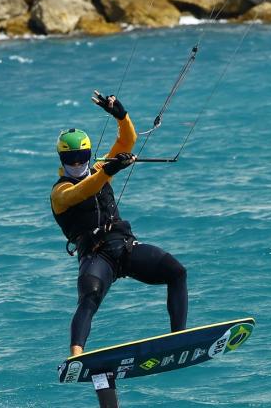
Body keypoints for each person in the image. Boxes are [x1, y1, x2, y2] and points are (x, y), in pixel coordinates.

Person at [51, 91, 188, 357]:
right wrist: (108, 171)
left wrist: (121, 116)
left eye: (82, 156)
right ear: (61, 159)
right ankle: (77, 354)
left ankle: (178, 339)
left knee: (176, 271)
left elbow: (127, 140)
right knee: (89, 297)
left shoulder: (100, 167)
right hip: (96, 255)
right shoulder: (60, 192)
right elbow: (82, 192)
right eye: (70, 159)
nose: (77, 162)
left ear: (89, 153)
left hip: (124, 246)